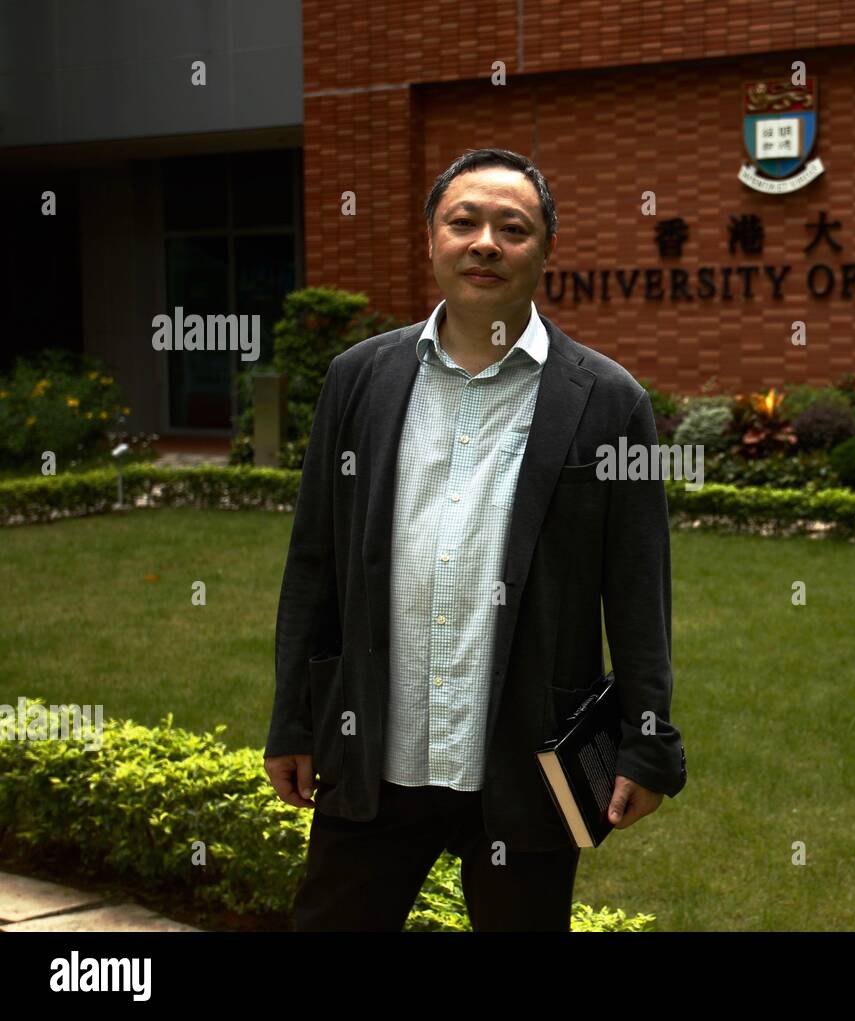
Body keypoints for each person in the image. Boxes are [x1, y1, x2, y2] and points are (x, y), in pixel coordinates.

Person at [263, 147, 687, 932]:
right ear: (433, 239)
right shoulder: (358, 379)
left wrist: (649, 743)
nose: (485, 241)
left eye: (512, 227)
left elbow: (637, 591)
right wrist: (293, 719)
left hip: (525, 757)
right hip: (373, 748)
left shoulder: (607, 401)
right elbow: (313, 563)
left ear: (545, 251)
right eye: (464, 222)